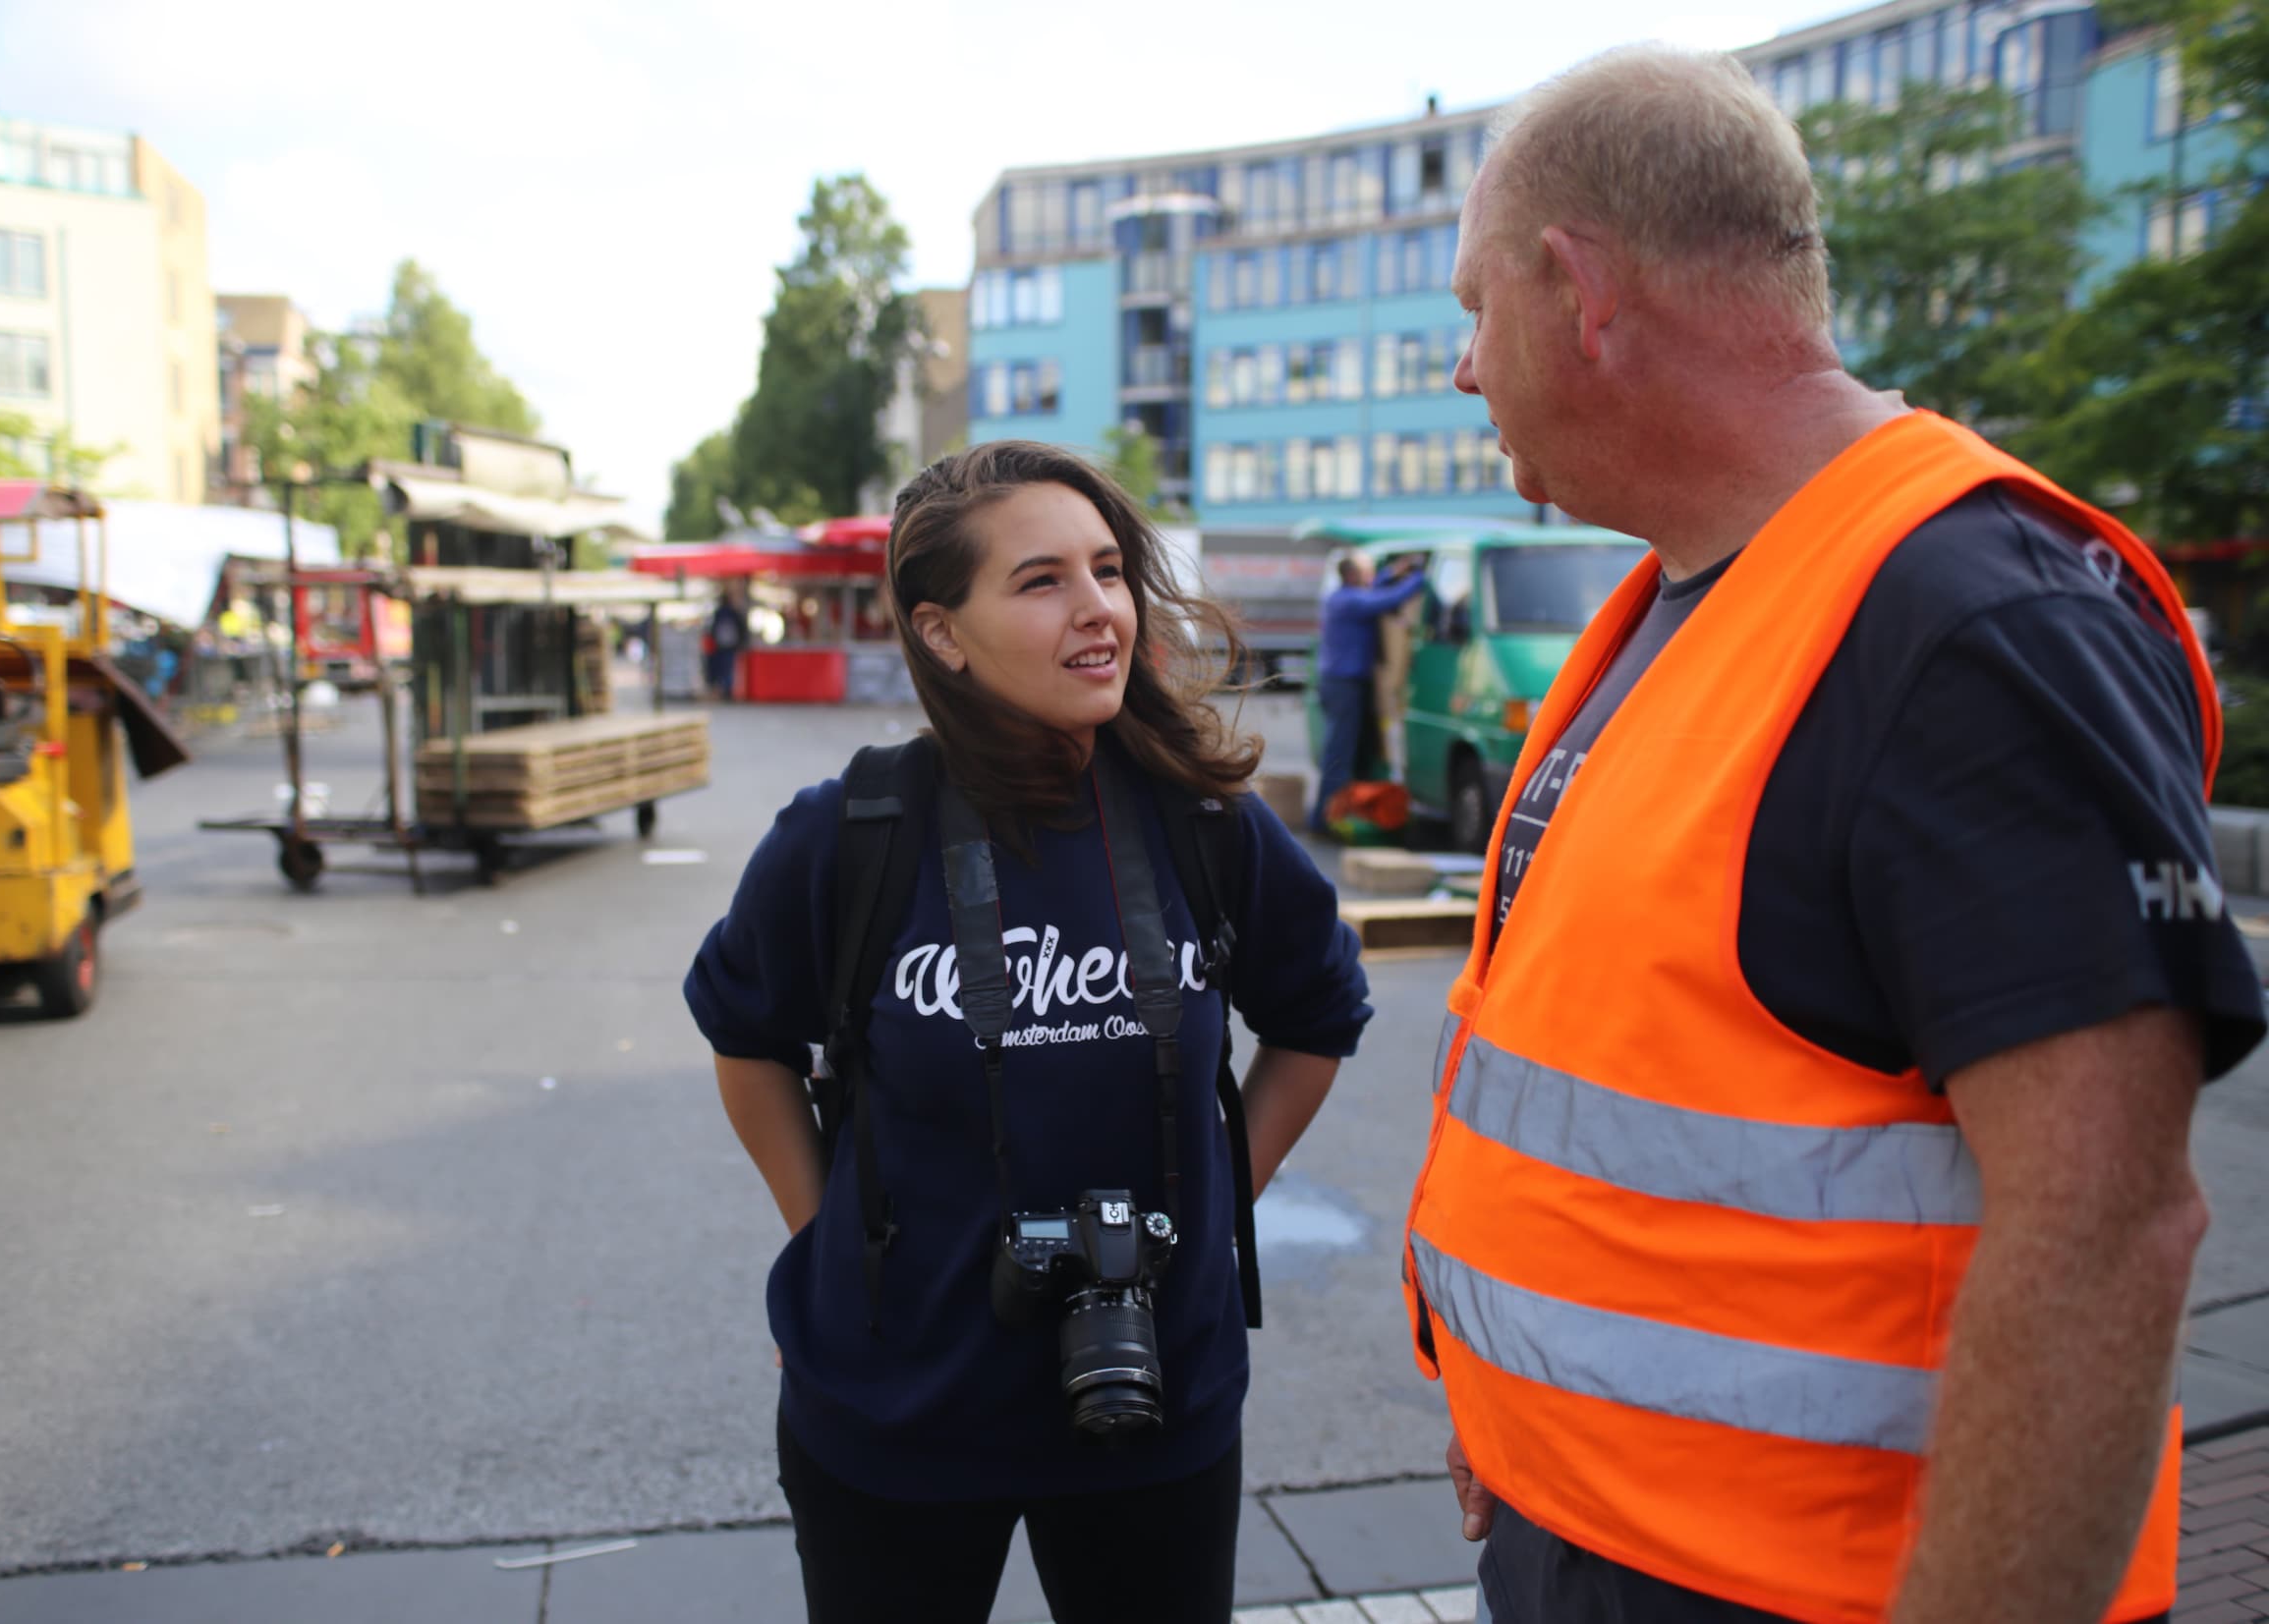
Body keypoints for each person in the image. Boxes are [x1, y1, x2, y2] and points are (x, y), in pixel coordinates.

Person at [1402, 44, 2265, 1624]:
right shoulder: (1688, 599)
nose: (1465, 370)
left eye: (1473, 310)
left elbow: (2102, 1228)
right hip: (1595, 1533)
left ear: (1579, 290)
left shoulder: (1973, 626)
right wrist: (1518, 1401)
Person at [686, 440, 1374, 1624]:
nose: (1098, 608)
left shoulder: (1204, 823)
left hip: (1156, 1402)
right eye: (1041, 580)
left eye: (1107, 569)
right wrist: (833, 1247)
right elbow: (746, 1044)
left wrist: (1210, 1209)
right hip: (895, 1411)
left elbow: (1316, 1019)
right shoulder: (848, 831)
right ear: (941, 632)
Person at [1313, 551, 1428, 833]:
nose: (1371, 577)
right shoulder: (1349, 601)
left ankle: (1341, 813)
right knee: (1339, 753)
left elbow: (1375, 590)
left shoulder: (1343, 596)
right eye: (1366, 572)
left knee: (1350, 751)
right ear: (1353, 576)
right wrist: (1421, 575)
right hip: (1343, 685)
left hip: (1341, 682)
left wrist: (1394, 571)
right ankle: (1324, 819)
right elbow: (1388, 599)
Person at [705, 584, 748, 700]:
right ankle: (728, 690)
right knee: (728, 668)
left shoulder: (719, 613)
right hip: (730, 645)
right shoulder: (733, 613)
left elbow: (713, 629)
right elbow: (741, 628)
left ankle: (725, 690)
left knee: (723, 668)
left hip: (721, 645)